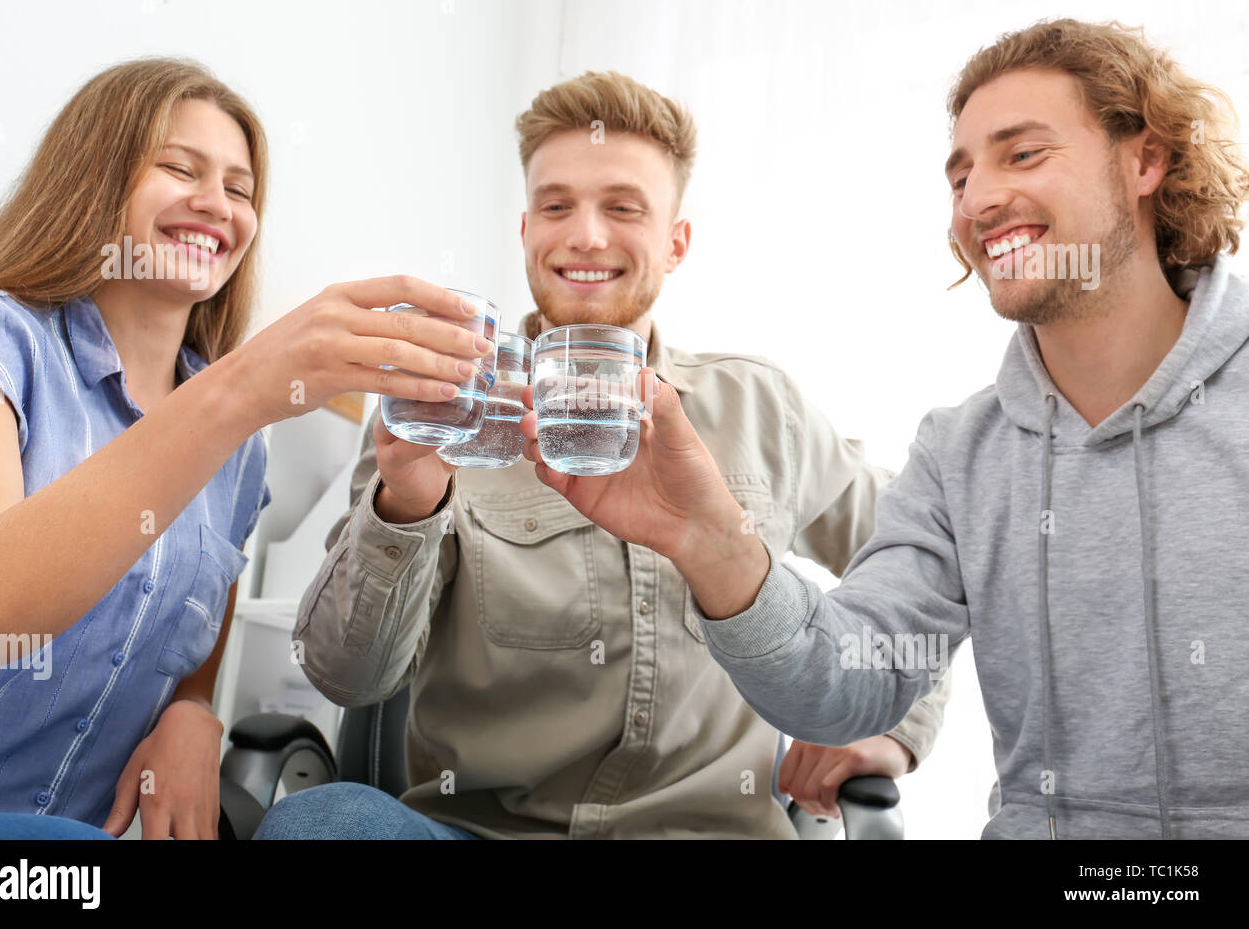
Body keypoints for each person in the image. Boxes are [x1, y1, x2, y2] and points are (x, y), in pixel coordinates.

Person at [520, 20, 1249, 839]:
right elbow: (847, 681)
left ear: (1145, 160)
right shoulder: (959, 453)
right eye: (961, 175)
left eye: (1022, 154)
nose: (978, 200)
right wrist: (712, 542)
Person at [262, 71, 951, 840]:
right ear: (527, 233)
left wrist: (889, 724)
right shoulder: (442, 414)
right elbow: (347, 678)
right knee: (322, 824)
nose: (586, 235)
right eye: (557, 206)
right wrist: (406, 505)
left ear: (675, 242)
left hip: (714, 836)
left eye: (623, 208)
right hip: (481, 833)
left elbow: (927, 563)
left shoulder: (764, 410)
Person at [0, 58, 489, 839]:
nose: (217, 205)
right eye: (179, 168)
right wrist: (240, 389)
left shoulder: (241, 452)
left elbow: (194, 638)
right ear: (92, 179)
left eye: (240, 190)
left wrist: (193, 714)